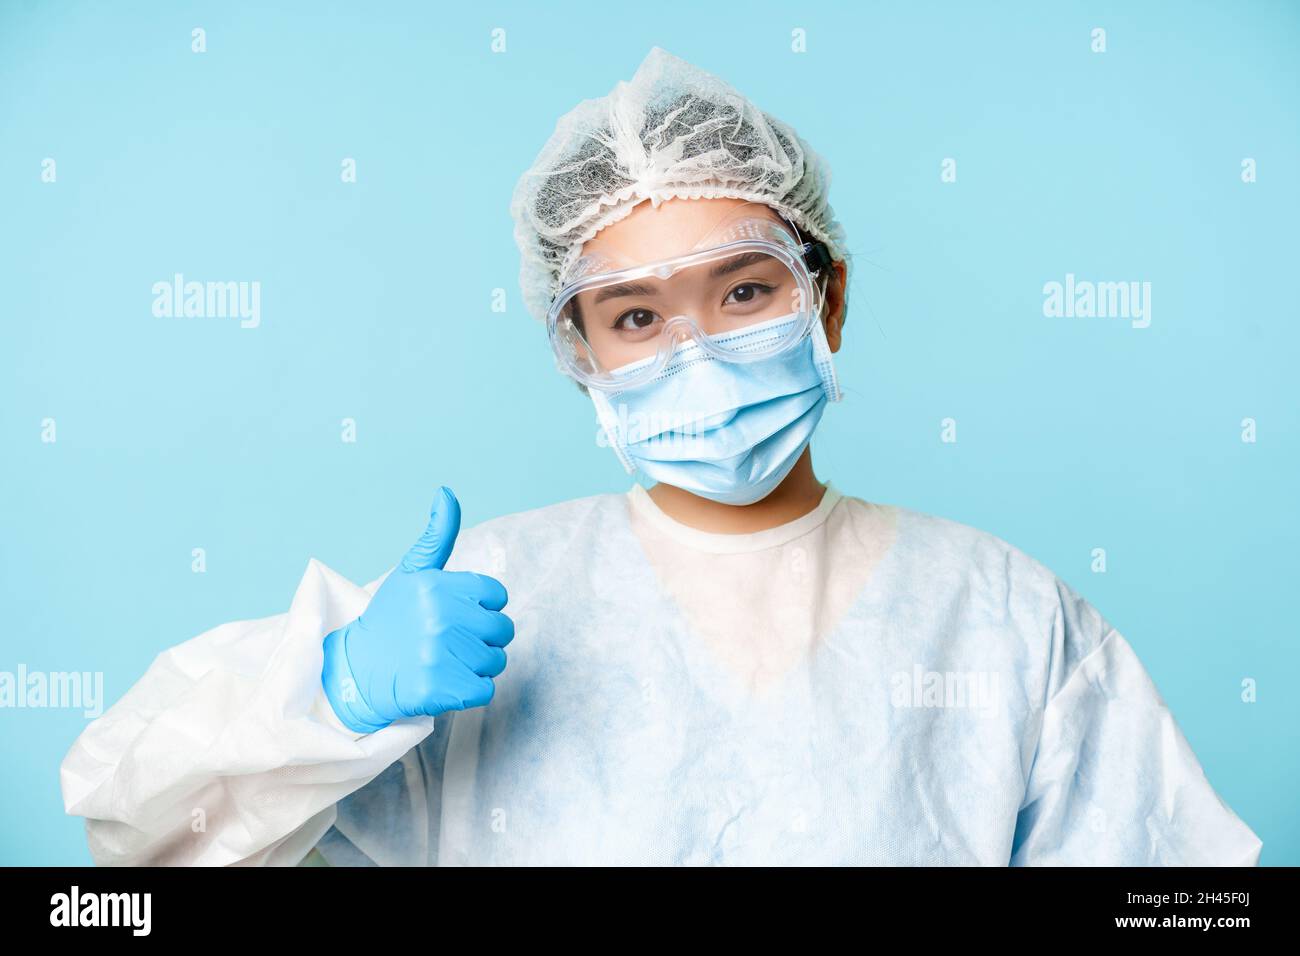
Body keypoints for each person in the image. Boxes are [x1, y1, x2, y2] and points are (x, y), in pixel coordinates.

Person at [60, 47, 1261, 866]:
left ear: (825, 298)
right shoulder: (470, 611)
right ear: (578, 351)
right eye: (635, 314)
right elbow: (130, 842)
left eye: (744, 289)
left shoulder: (1005, 615)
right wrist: (329, 695)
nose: (696, 348)